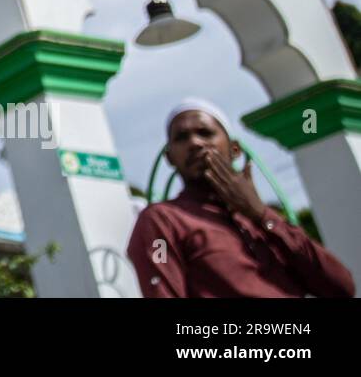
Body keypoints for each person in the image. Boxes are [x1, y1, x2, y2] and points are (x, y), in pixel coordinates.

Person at [127, 97, 355, 298]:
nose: (195, 143)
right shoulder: (161, 220)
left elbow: (340, 287)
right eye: (182, 138)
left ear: (234, 149)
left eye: (205, 133)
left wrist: (261, 214)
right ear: (170, 158)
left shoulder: (264, 221)